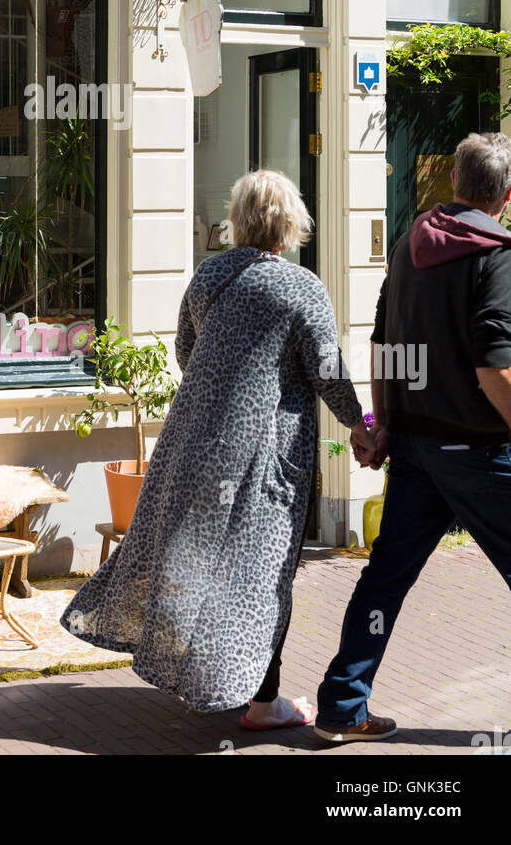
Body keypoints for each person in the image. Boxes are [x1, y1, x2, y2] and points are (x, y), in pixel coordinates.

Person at [62, 169, 373, 727]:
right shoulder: (300, 288)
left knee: (188, 560)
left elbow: (186, 351)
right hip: (260, 459)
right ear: (291, 221)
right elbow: (327, 370)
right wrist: (361, 424)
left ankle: (202, 675)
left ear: (238, 218)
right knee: (259, 575)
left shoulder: (209, 275)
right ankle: (261, 702)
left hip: (191, 444)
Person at [315, 131, 511, 744]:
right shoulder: (498, 256)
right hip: (481, 451)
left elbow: (385, 348)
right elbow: (493, 367)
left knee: (386, 578)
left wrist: (383, 425)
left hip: (417, 451)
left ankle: (343, 708)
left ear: (454, 182)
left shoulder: (407, 246)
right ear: (508, 194)